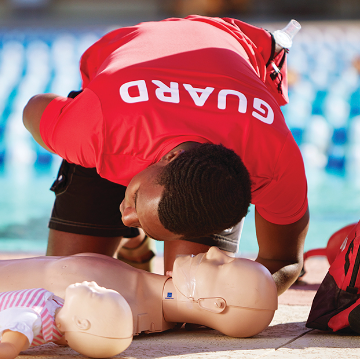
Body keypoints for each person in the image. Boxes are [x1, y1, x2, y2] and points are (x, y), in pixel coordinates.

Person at [22, 15, 309, 294]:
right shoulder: (95, 130)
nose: (125, 215)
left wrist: (250, 296)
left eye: (135, 210)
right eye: (134, 199)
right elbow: (34, 107)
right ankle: (134, 240)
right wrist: (68, 138)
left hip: (183, 127)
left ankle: (139, 231)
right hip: (123, 97)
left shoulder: (273, 164)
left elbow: (284, 261)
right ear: (167, 159)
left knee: (195, 301)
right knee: (64, 290)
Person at [0, 247, 277, 338]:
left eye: (221, 266)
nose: (215, 251)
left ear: (215, 304)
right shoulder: (138, 285)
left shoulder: (114, 308)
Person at [0, 281, 133, 359]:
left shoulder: (30, 317)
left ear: (80, 322)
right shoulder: (59, 311)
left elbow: (10, 347)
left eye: (95, 293)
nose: (93, 283)